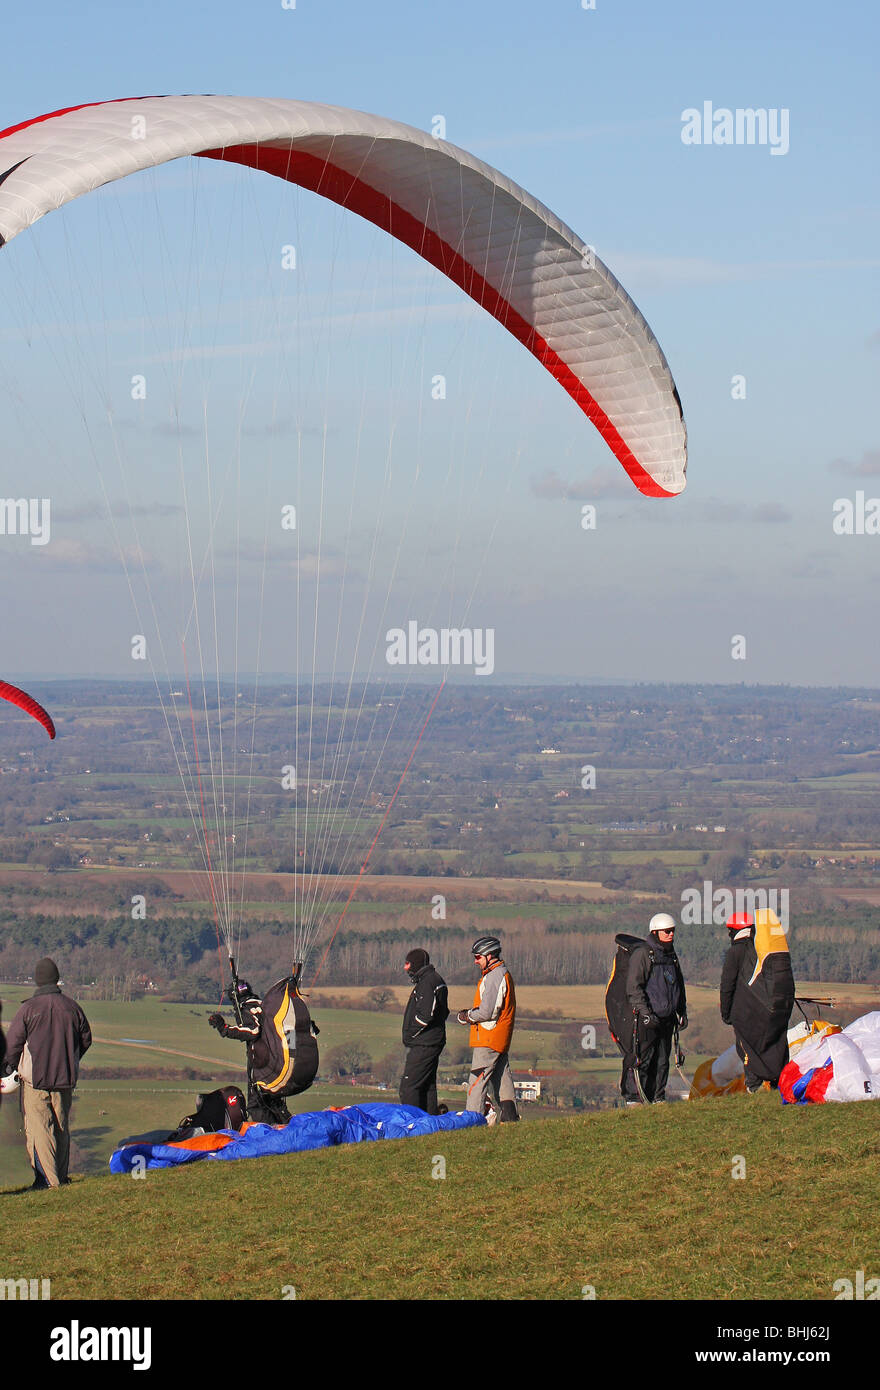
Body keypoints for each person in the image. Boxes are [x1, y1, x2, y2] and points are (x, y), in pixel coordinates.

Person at [3, 958, 92, 1188]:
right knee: (61, 1128)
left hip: (35, 1081)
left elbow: (13, 1044)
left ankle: (48, 1182)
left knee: (39, 1129)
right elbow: (86, 1039)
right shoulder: (73, 1007)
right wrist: (71, 1060)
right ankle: (60, 1177)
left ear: (38, 979)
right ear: (56, 977)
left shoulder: (28, 1009)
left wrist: (8, 1067)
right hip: (65, 1080)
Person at [720, 910, 795, 1092]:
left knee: (747, 1047)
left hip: (748, 1010)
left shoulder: (735, 952)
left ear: (732, 930)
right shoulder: (759, 947)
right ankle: (779, 1083)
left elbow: (727, 985)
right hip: (776, 1006)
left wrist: (727, 1014)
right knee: (775, 1043)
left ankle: (754, 1085)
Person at [622, 913, 687, 1104]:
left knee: (663, 1061)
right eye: (667, 931)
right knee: (644, 1060)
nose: (671, 935)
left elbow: (678, 986)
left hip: (667, 1019)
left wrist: (682, 1011)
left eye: (673, 931)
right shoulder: (644, 954)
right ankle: (636, 1098)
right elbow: (634, 987)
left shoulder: (671, 956)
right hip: (647, 1020)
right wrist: (646, 1014)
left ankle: (658, 1097)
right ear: (655, 932)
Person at [209, 978, 290, 1124]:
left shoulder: (246, 1008)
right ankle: (288, 1131)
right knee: (273, 1102)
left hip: (261, 1062)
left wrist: (224, 1028)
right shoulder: (264, 1005)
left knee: (256, 1105)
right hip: (277, 1060)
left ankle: (270, 1139)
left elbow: (253, 1031)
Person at [457, 936, 519, 1123]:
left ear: (489, 955)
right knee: (502, 1080)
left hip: (489, 1038)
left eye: (478, 957)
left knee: (477, 1080)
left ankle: (471, 1121)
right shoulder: (500, 974)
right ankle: (510, 1119)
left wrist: (466, 1016)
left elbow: (487, 1011)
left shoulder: (495, 976)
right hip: (499, 1037)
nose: (475, 961)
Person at [399, 948, 448, 1114]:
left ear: (416, 964)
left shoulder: (427, 982)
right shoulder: (435, 980)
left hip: (424, 1043)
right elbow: (444, 1012)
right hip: (433, 1041)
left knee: (409, 1086)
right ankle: (430, 1121)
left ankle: (413, 1123)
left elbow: (425, 1015)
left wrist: (410, 1033)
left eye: (408, 964)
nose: (405, 968)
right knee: (427, 1085)